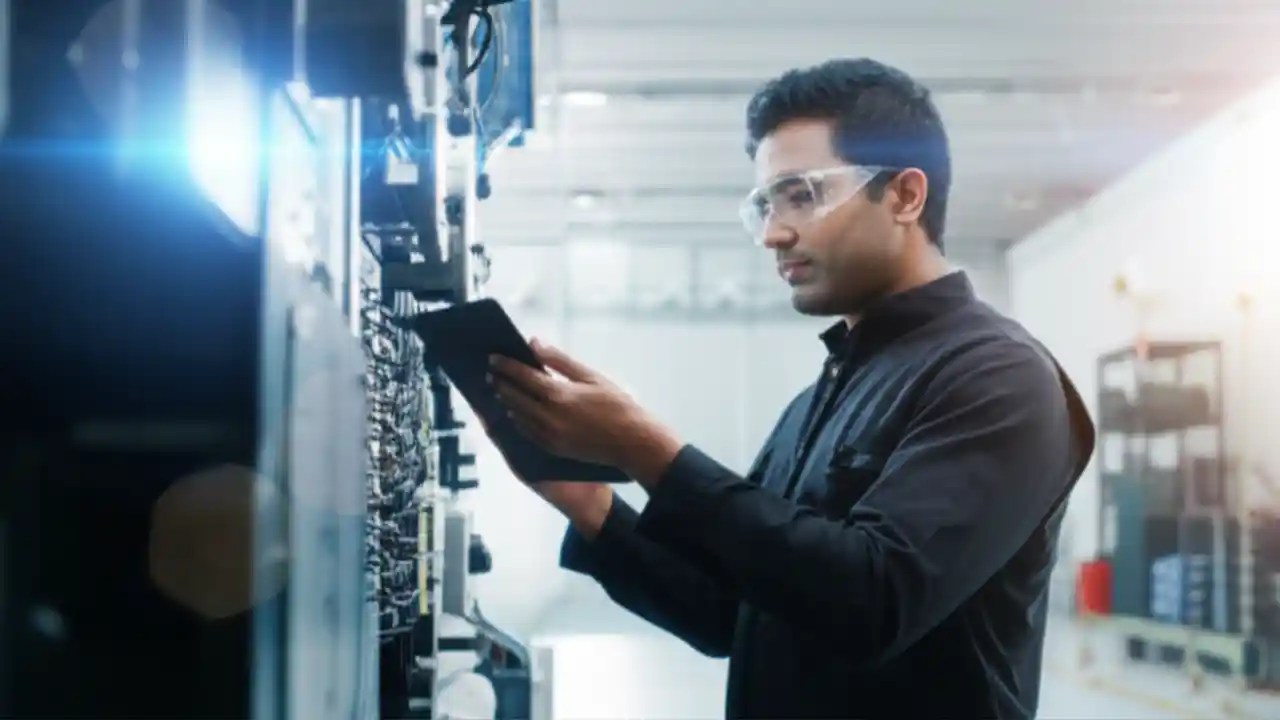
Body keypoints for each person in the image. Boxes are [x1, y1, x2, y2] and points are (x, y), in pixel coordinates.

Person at [486, 58, 1096, 719]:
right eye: (765, 204)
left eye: (803, 194)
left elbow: (872, 602)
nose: (775, 233)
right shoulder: (823, 395)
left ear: (904, 196)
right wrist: (592, 505)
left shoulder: (996, 377)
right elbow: (730, 611)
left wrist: (646, 451)